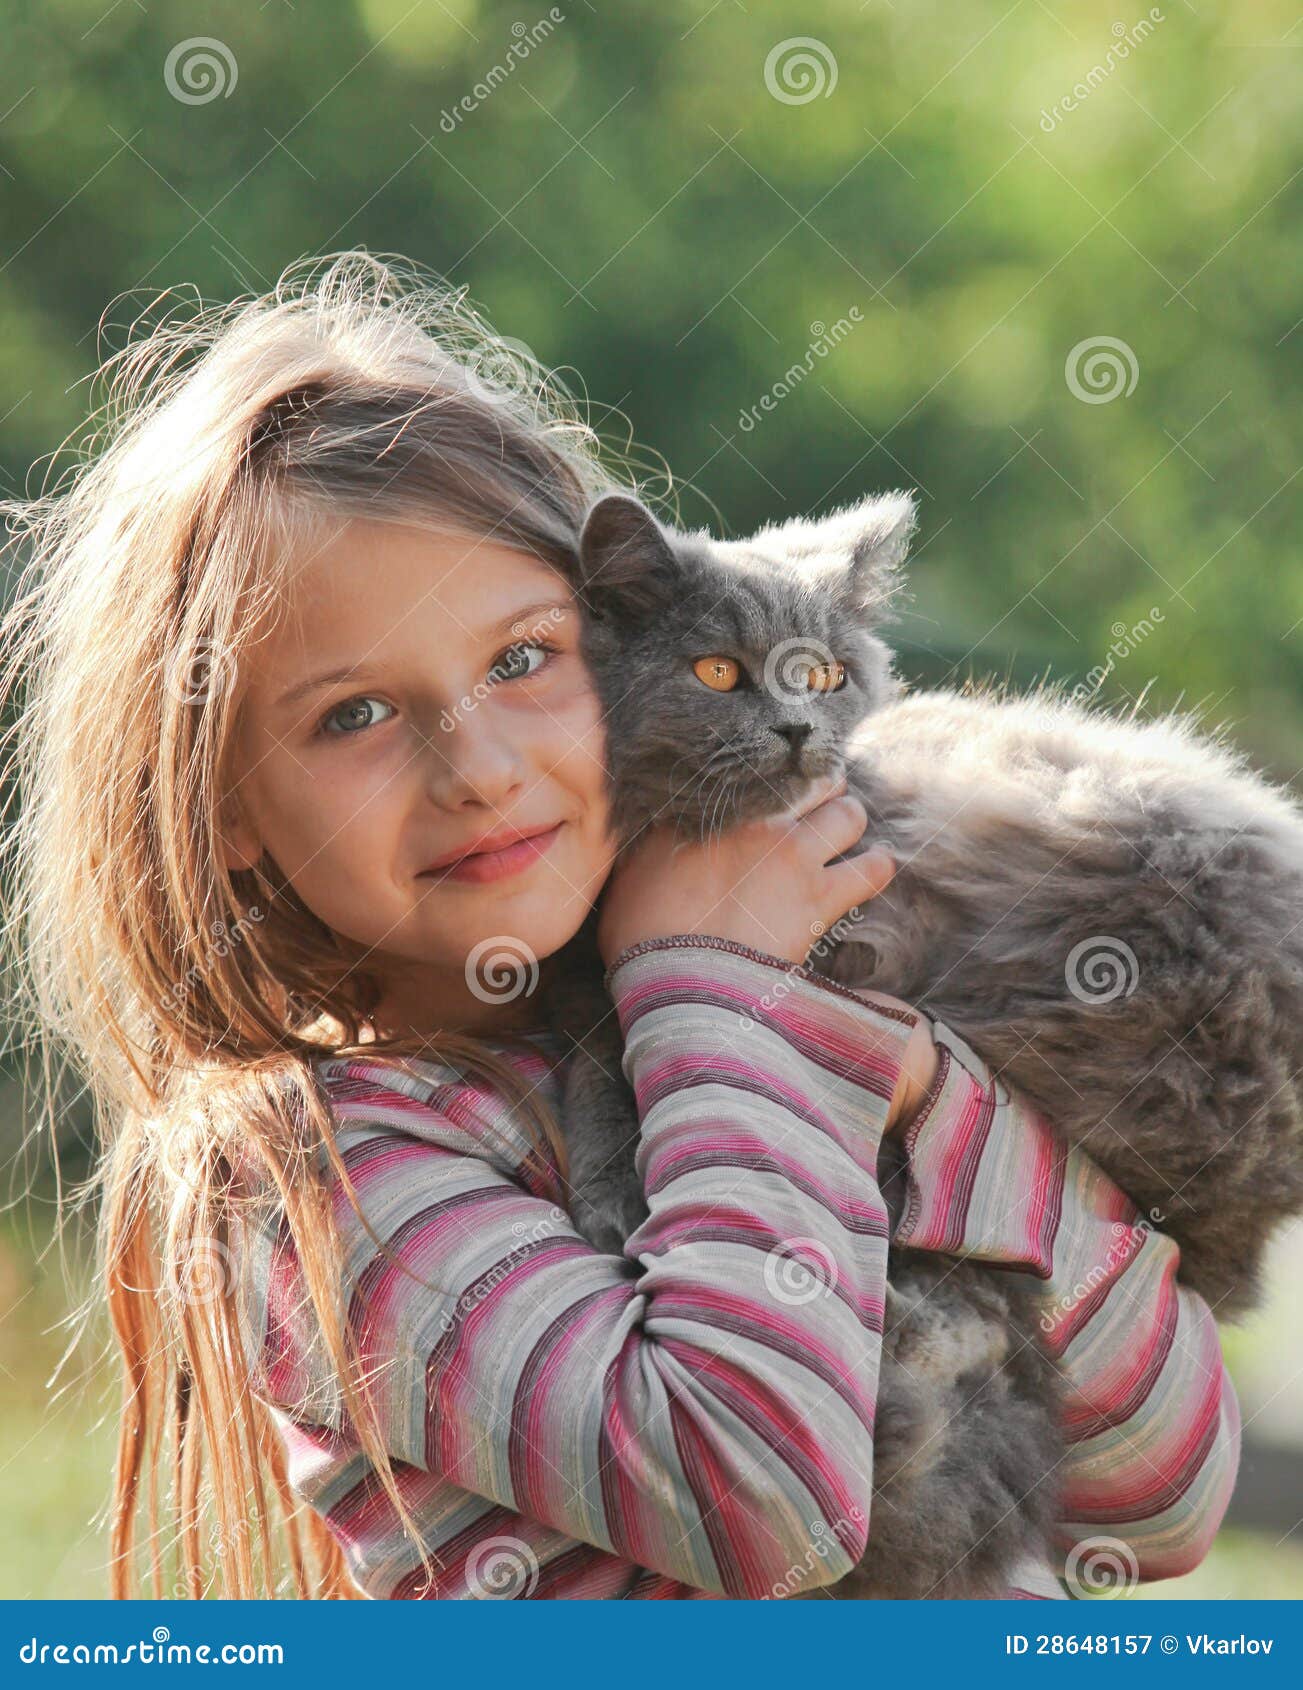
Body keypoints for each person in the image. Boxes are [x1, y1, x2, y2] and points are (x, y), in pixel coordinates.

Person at [0, 254, 1240, 1602]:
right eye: (353, 714)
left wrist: (929, 1093)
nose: (474, 765)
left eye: (525, 657)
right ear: (221, 804)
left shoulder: (832, 1013)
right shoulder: (336, 1185)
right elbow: (767, 1498)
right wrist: (713, 993)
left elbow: (1156, 1493)